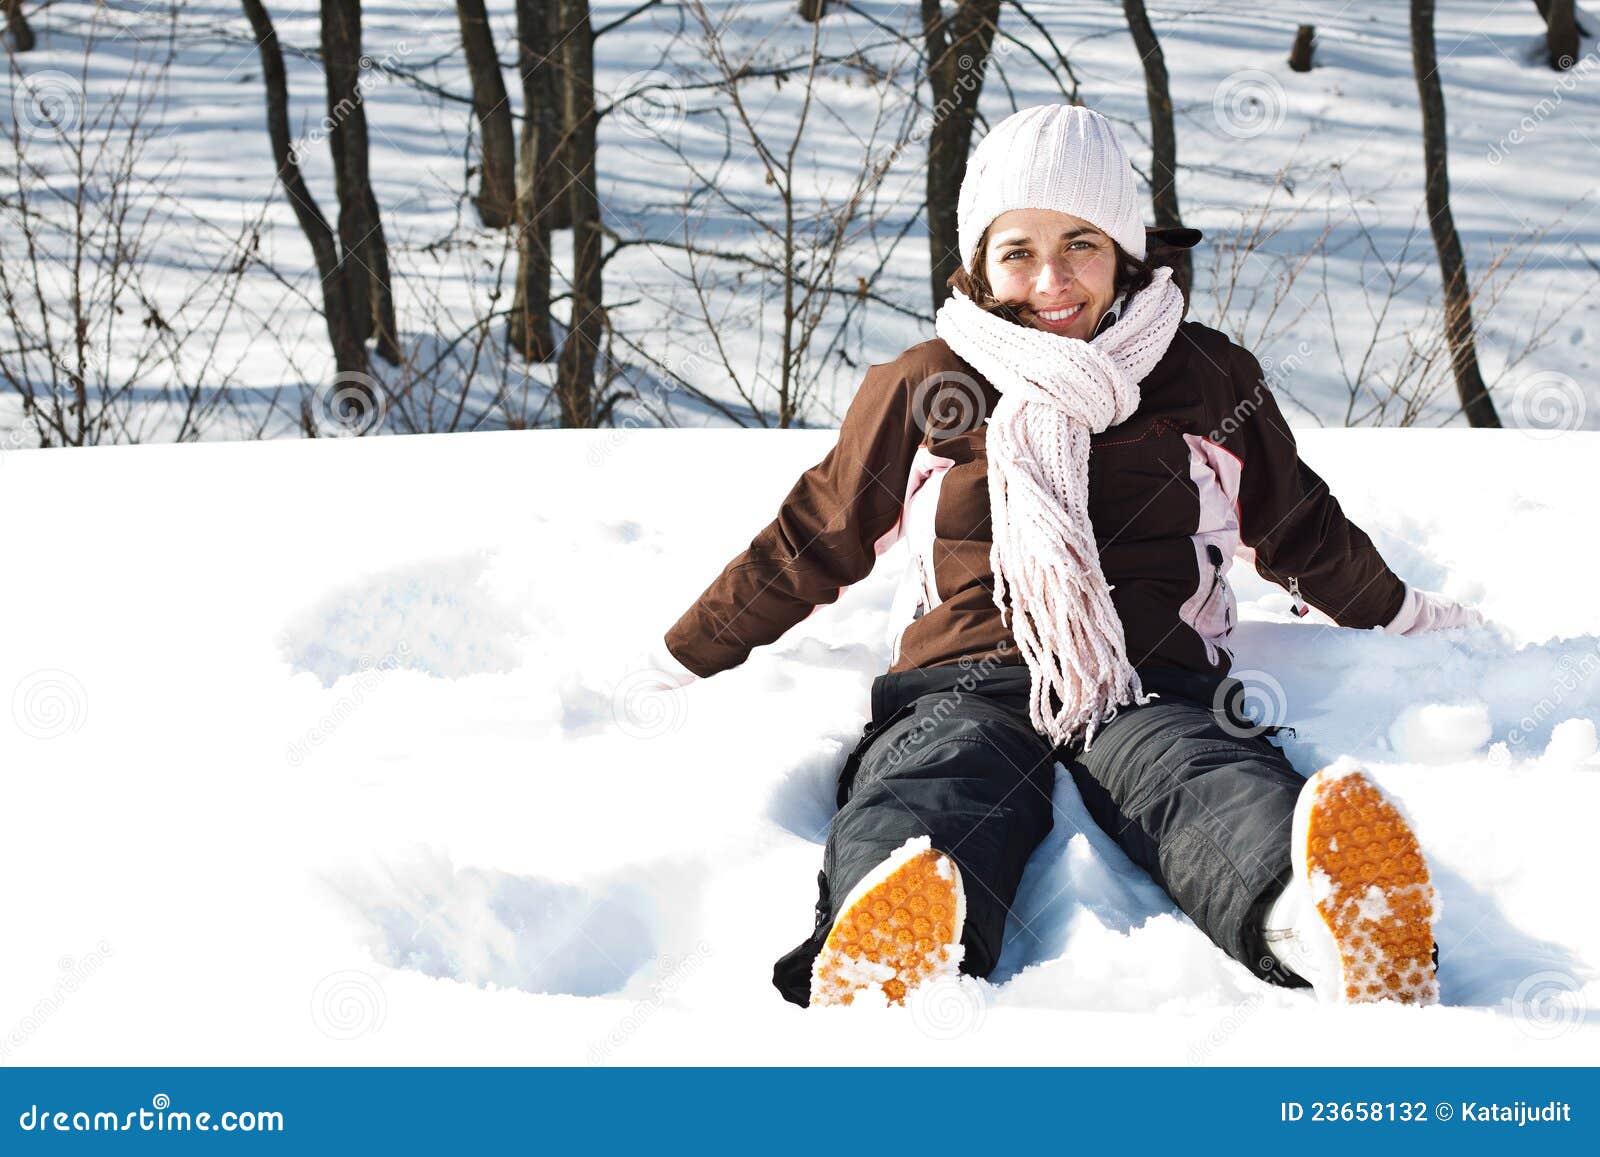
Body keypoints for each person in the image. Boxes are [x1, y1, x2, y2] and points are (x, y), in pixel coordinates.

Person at [647, 105, 1485, 1009]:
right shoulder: (933, 382)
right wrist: (678, 658)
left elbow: (1301, 531)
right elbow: (815, 535)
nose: (1052, 279)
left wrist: (1410, 618)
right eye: (1019, 251)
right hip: (963, 673)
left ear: (1124, 250)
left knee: (1204, 772)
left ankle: (1320, 921)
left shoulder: (1206, 377)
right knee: (932, 777)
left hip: (1145, 675)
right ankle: (887, 941)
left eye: (1081, 242)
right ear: (981, 263)